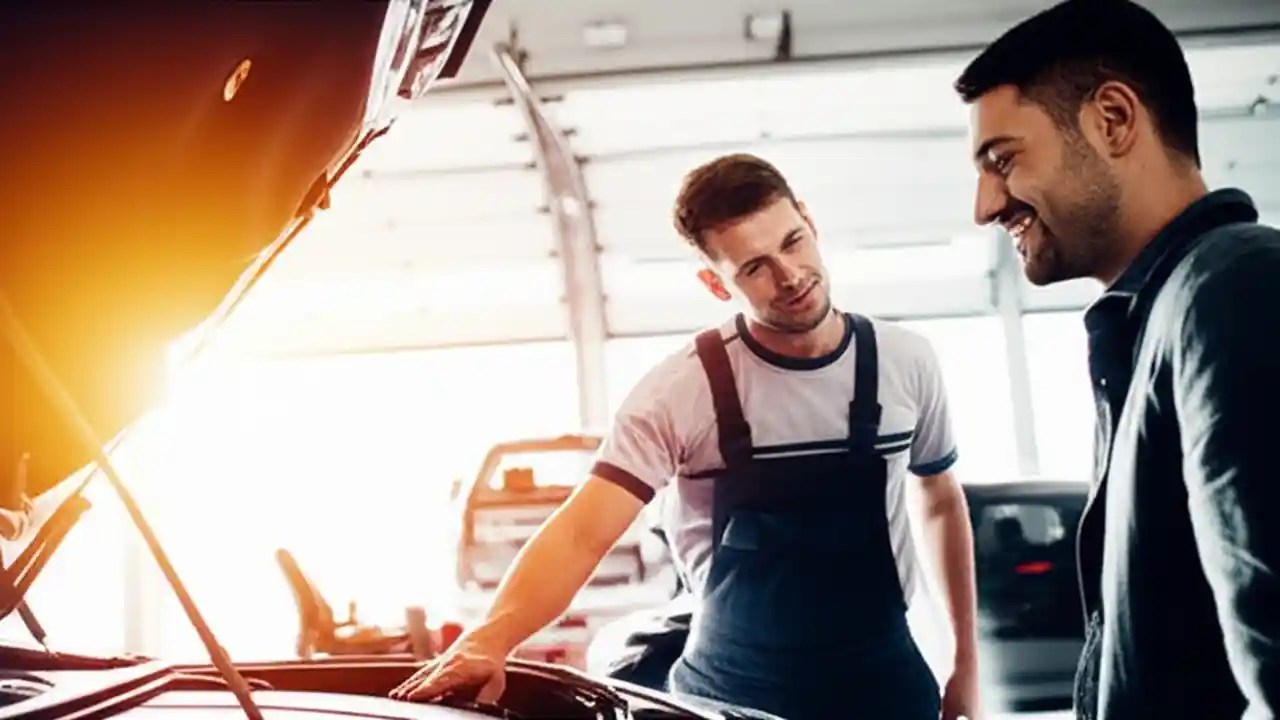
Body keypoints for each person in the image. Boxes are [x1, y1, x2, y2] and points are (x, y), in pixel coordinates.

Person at [390, 153, 982, 719]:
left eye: (792, 242)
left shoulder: (906, 361)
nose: (789, 276)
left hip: (883, 690)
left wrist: (964, 667)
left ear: (809, 220)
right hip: (728, 698)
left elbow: (937, 498)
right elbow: (581, 533)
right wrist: (487, 641)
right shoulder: (683, 389)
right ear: (716, 283)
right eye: (754, 267)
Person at [954, 1, 1280, 717]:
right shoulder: (1160, 316)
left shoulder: (1231, 285)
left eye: (1001, 159)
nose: (984, 205)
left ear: (1113, 120)